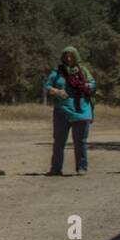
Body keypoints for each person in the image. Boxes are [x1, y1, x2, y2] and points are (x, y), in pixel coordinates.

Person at [44, 45, 96, 176]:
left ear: (76, 57)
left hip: (81, 110)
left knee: (80, 142)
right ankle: (56, 169)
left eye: (71, 56)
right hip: (61, 111)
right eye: (66, 56)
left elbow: (93, 84)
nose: (68, 58)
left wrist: (83, 85)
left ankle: (82, 167)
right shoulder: (57, 72)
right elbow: (47, 86)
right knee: (59, 142)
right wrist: (57, 91)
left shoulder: (83, 70)